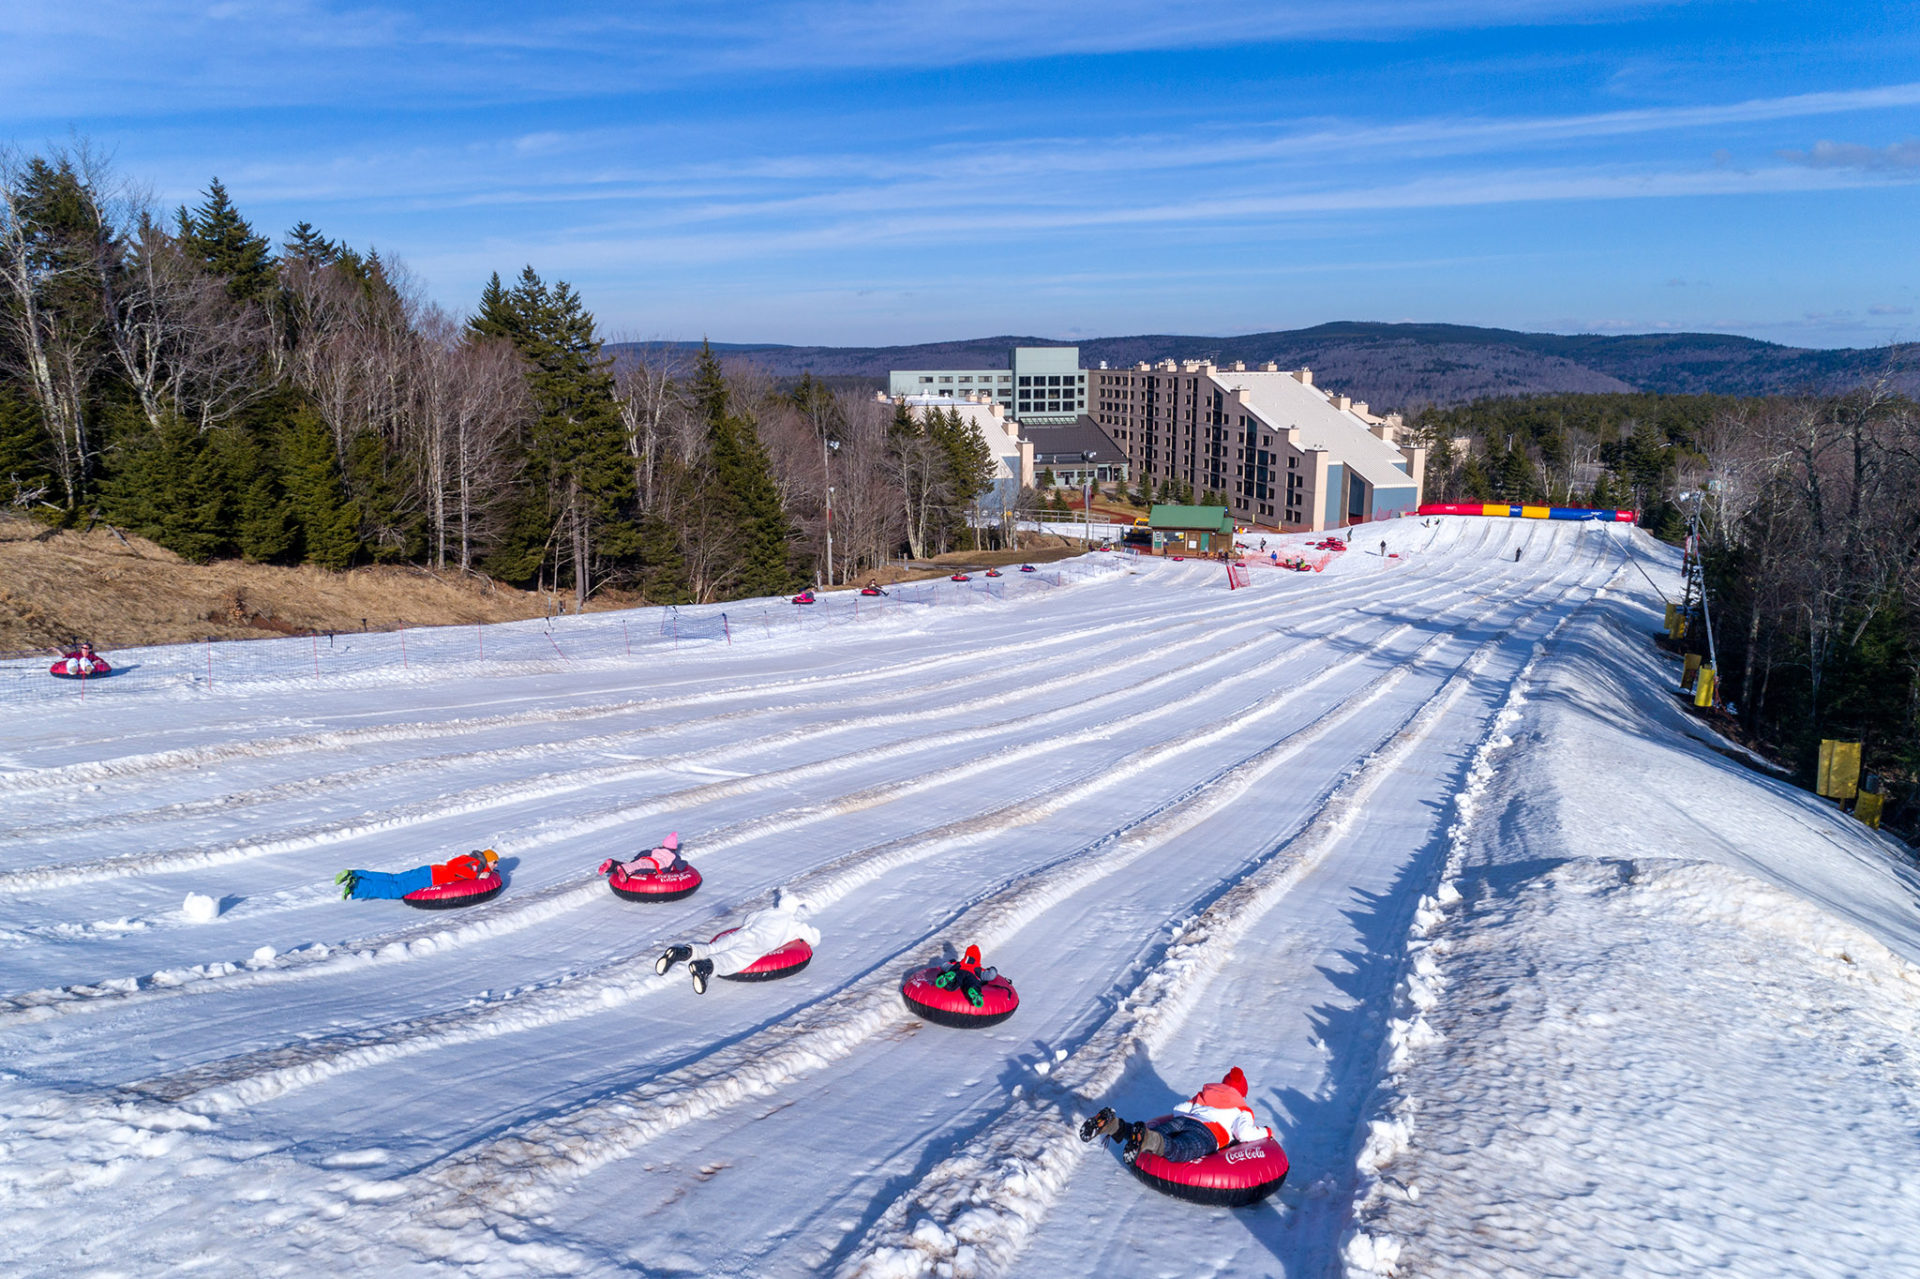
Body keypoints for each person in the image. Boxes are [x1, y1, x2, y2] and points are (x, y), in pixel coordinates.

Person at [1079, 1067, 1273, 1162]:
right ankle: (1148, 1140)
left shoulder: (1205, 1094)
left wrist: (1196, 1111)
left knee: (1155, 1134)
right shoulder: (1241, 1109)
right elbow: (1244, 1134)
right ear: (1242, 1093)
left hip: (1184, 1120)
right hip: (1209, 1133)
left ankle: (1113, 1125)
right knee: (1181, 1149)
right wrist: (1266, 1131)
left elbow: (1178, 1109)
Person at [656, 890, 820, 994]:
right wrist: (814, 934)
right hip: (756, 944)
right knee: (733, 959)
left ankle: (684, 952)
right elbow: (812, 938)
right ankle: (705, 968)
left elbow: (748, 918)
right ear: (793, 909)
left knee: (713, 947)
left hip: (742, 933)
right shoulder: (793, 924)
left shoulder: (766, 913)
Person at [338, 849, 498, 900]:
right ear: (487, 860)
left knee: (394, 878)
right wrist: (477, 877)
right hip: (431, 877)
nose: (495, 865)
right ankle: (357, 887)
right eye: (494, 862)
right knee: (396, 891)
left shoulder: (470, 859)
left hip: (430, 870)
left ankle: (355, 874)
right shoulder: (476, 864)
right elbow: (458, 870)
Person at [930, 943, 998, 1008]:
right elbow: (991, 975)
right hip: (972, 975)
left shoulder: (958, 964)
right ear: (978, 958)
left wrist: (951, 961)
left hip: (959, 971)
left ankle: (950, 979)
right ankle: (975, 992)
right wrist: (992, 969)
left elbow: (944, 966)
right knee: (973, 983)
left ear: (966, 956)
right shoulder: (979, 970)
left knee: (953, 985)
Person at [600, 832, 684, 878]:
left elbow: (644, 852)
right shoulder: (674, 856)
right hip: (656, 865)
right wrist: (685, 864)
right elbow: (680, 866)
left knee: (636, 864)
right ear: (674, 848)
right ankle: (624, 870)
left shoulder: (656, 850)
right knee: (638, 868)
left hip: (647, 859)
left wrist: (636, 858)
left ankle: (612, 865)